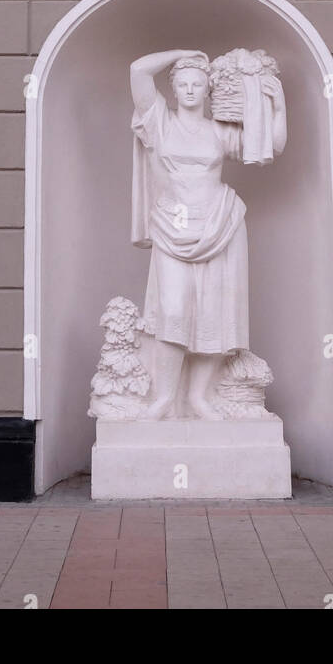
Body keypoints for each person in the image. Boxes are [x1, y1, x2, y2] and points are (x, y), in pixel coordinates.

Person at [129, 48, 286, 419]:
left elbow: (272, 145)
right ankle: (165, 398)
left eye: (197, 84)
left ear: (207, 90)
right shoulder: (158, 122)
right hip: (173, 226)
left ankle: (199, 397)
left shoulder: (219, 131)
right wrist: (183, 54)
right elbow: (137, 69)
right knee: (174, 309)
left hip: (220, 223)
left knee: (215, 314)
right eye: (181, 83)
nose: (188, 90)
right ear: (173, 88)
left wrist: (278, 108)